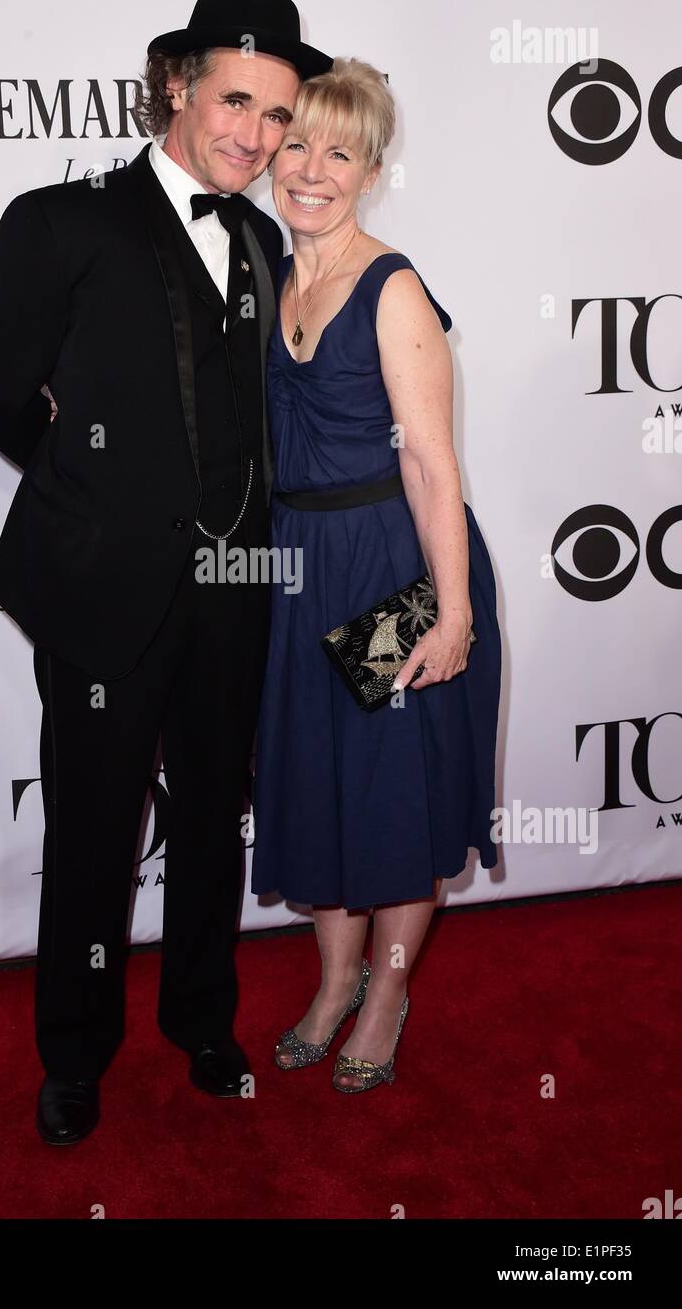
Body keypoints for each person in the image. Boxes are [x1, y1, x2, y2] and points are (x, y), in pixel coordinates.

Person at [0, 0, 332, 1143]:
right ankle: (75, 1051)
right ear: (176, 84)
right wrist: (76, 470)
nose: (254, 136)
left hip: (231, 589)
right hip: (106, 587)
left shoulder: (264, 237)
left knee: (216, 814)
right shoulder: (59, 219)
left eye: (274, 114)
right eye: (233, 102)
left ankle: (202, 1021)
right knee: (96, 828)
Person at [250, 58, 502, 1093]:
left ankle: (387, 992)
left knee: (393, 797)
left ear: (372, 169)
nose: (311, 169)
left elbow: (432, 463)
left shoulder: (392, 287)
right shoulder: (269, 270)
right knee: (318, 788)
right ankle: (332, 979)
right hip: (296, 566)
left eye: (338, 152)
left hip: (390, 565)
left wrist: (452, 613)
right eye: (296, 143)